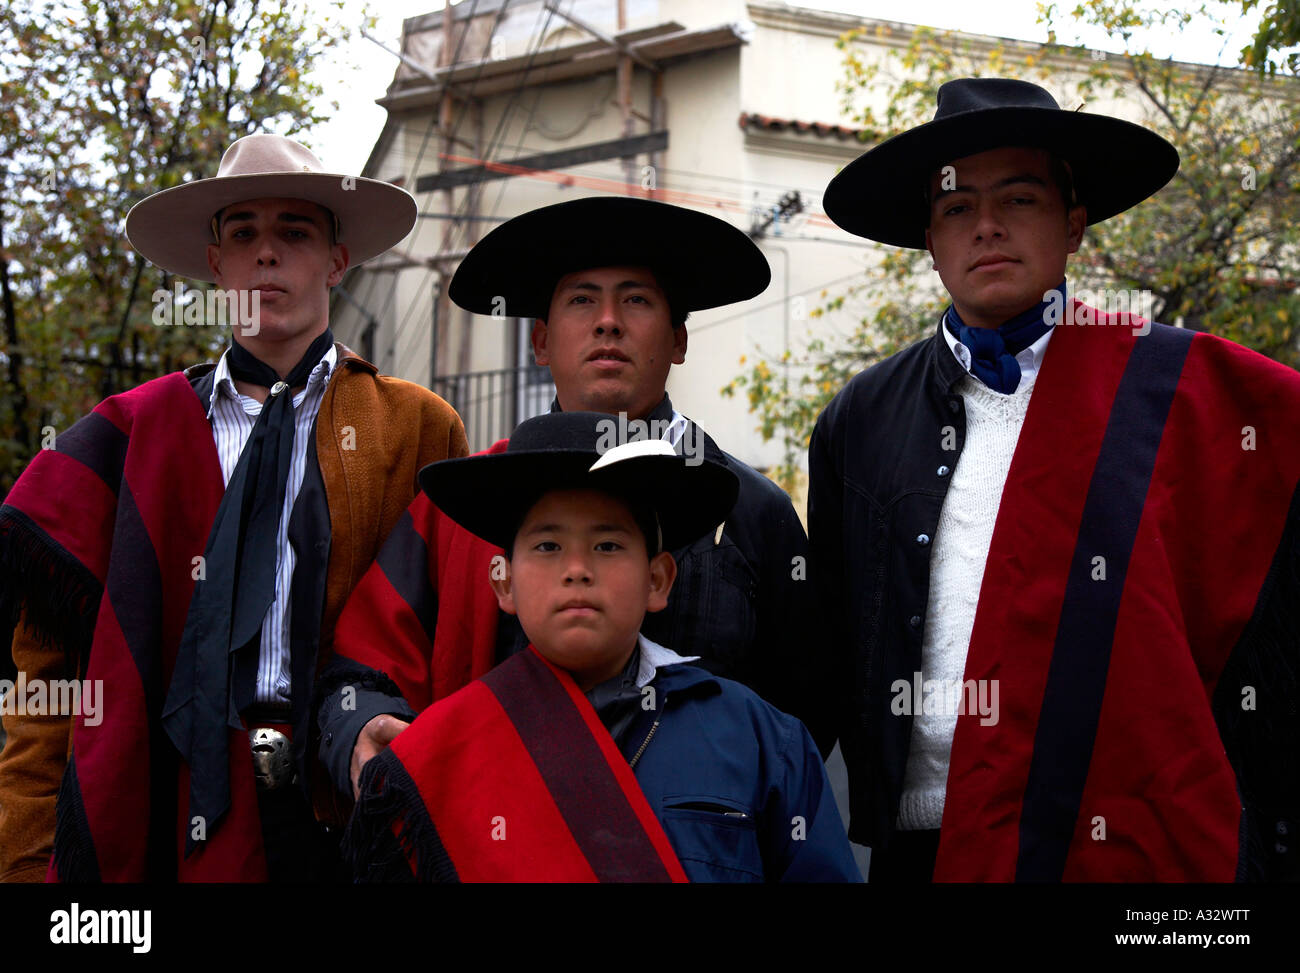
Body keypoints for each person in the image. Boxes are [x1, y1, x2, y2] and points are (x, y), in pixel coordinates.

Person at [811, 77, 1300, 881]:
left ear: (1074, 225)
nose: (988, 226)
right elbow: (831, 648)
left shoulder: (1184, 393)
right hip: (920, 852)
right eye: (957, 207)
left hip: (1121, 851)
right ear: (929, 239)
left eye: (1021, 199)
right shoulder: (859, 419)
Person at [0, 133, 468, 882]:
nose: (267, 253)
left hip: (343, 808)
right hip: (169, 809)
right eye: (243, 232)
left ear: (337, 259)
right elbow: (48, 681)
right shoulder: (126, 436)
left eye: (294, 231)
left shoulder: (416, 426)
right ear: (215, 262)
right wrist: (23, 866)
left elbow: (446, 636)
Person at [316, 196, 832, 807]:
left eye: (636, 300)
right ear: (540, 342)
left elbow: (805, 721)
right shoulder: (464, 511)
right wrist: (358, 727)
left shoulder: (751, 512)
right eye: (582, 299)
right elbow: (360, 667)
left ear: (678, 340)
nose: (608, 321)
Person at [342, 411, 861, 882]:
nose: (576, 570)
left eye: (607, 545)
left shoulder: (764, 743)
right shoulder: (434, 756)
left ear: (658, 580)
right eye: (547, 546)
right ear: (503, 584)